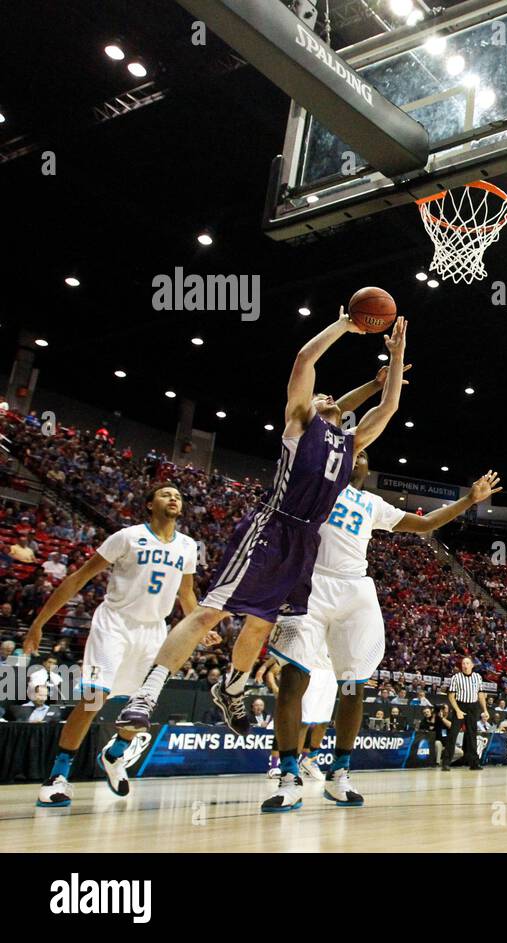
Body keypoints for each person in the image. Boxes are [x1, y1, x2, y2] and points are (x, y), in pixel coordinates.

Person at [112, 310, 407, 740]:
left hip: (305, 542)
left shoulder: (350, 444)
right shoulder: (299, 426)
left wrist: (396, 358)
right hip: (271, 528)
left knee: (261, 624)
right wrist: (344, 325)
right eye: (322, 395)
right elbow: (305, 360)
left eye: (331, 398)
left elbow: (390, 406)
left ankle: (232, 687)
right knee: (212, 610)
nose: (325, 396)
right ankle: (147, 693)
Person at [262, 378, 499, 812]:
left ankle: (340, 772)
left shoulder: (371, 504)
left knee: (353, 684)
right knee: (294, 679)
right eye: (357, 448)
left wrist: (469, 501)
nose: (361, 454)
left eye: (366, 454)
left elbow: (425, 525)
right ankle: (289, 772)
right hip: (308, 584)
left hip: (355, 589)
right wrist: (377, 381)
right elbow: (330, 418)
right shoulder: (310, 471)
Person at [22, 483, 202, 807]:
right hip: (115, 622)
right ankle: (59, 775)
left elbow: (186, 594)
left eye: (178, 494)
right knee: (94, 699)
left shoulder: (188, 546)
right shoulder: (127, 537)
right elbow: (79, 578)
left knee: (140, 707)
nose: (174, 497)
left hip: (154, 631)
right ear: (149, 504)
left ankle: (116, 754)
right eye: (165, 493)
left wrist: (197, 626)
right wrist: (39, 623)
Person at [443, 657, 488, 770]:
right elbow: (451, 696)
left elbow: (481, 694)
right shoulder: (456, 677)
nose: (465, 665)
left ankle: (474, 763)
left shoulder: (477, 677)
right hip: (460, 705)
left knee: (472, 736)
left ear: (472, 665)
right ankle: (446, 762)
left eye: (467, 663)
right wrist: (457, 710)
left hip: (473, 707)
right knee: (453, 734)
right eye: (463, 663)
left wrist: (485, 710)